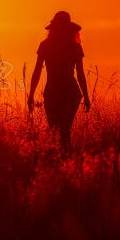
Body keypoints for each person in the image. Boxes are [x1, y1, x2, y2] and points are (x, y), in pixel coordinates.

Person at [27, 10, 91, 151]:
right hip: (53, 93)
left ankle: (66, 162)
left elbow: (80, 73)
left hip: (69, 93)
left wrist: (86, 96)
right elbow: (37, 71)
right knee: (56, 130)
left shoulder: (74, 47)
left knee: (63, 128)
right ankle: (61, 162)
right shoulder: (46, 45)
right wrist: (31, 95)